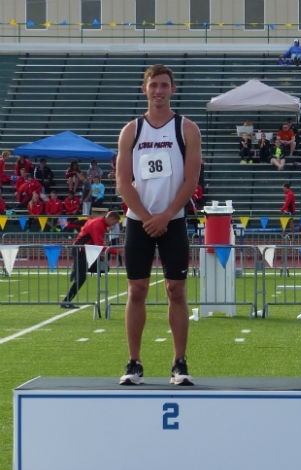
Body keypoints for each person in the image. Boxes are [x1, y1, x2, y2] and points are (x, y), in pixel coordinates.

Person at [115, 63, 202, 387]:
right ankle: (134, 361)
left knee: (175, 290)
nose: (159, 91)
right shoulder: (132, 131)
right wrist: (146, 216)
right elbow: (123, 182)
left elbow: (191, 180)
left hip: (173, 221)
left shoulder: (187, 129)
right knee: (136, 289)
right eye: (154, 85)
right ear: (145, 90)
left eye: (164, 85)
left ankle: (179, 361)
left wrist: (165, 215)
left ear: (173, 89)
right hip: (138, 221)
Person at [60, 211, 120, 309]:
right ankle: (66, 301)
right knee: (82, 277)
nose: (114, 225)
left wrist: (100, 254)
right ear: (111, 218)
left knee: (104, 268)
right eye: (115, 222)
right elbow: (98, 244)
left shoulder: (99, 222)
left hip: (86, 250)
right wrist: (117, 251)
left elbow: (95, 241)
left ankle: (77, 269)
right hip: (80, 250)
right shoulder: (98, 224)